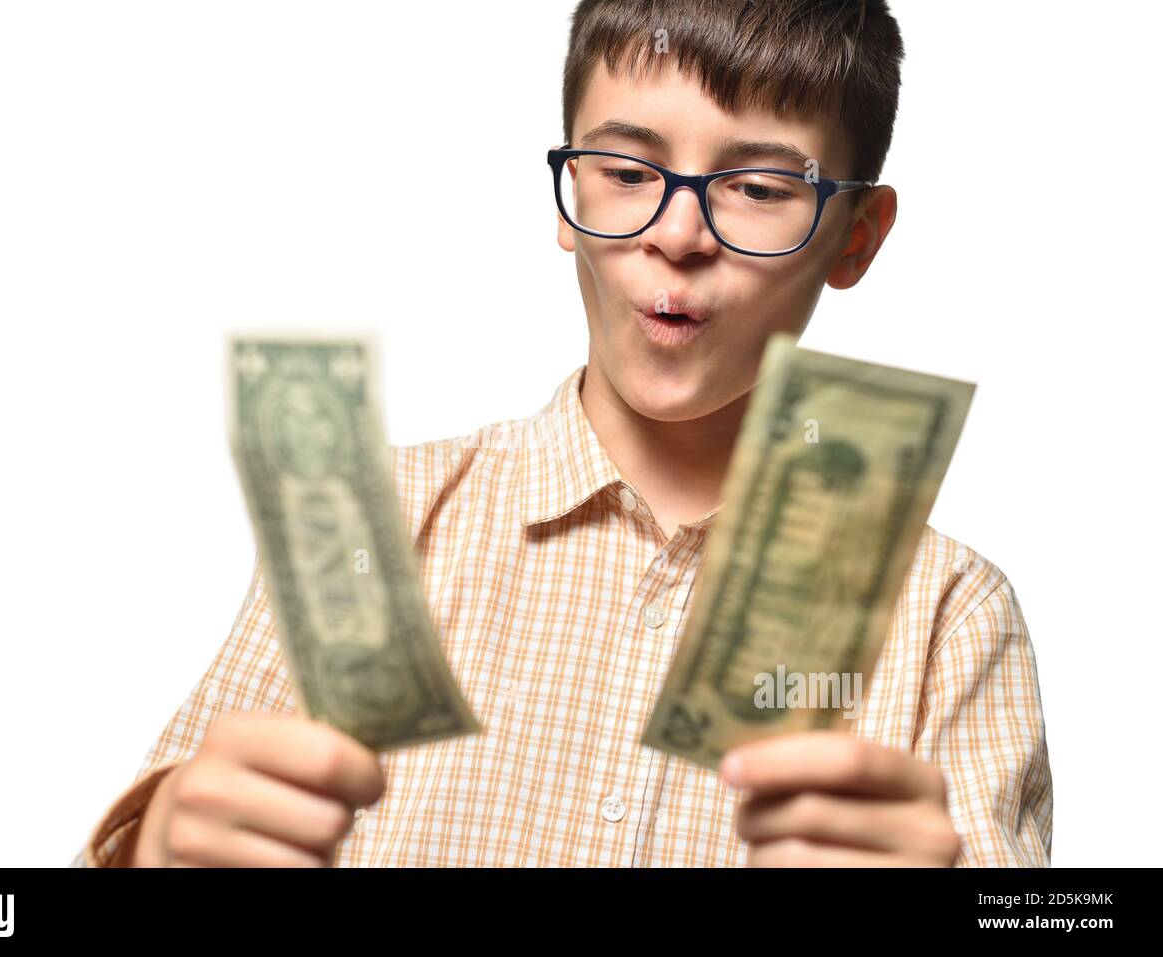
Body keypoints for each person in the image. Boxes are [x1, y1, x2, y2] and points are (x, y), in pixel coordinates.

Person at [75, 0, 1052, 868]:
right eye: (627, 171)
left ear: (856, 239)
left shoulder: (946, 614)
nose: (679, 234)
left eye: (757, 189)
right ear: (568, 197)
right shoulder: (382, 523)